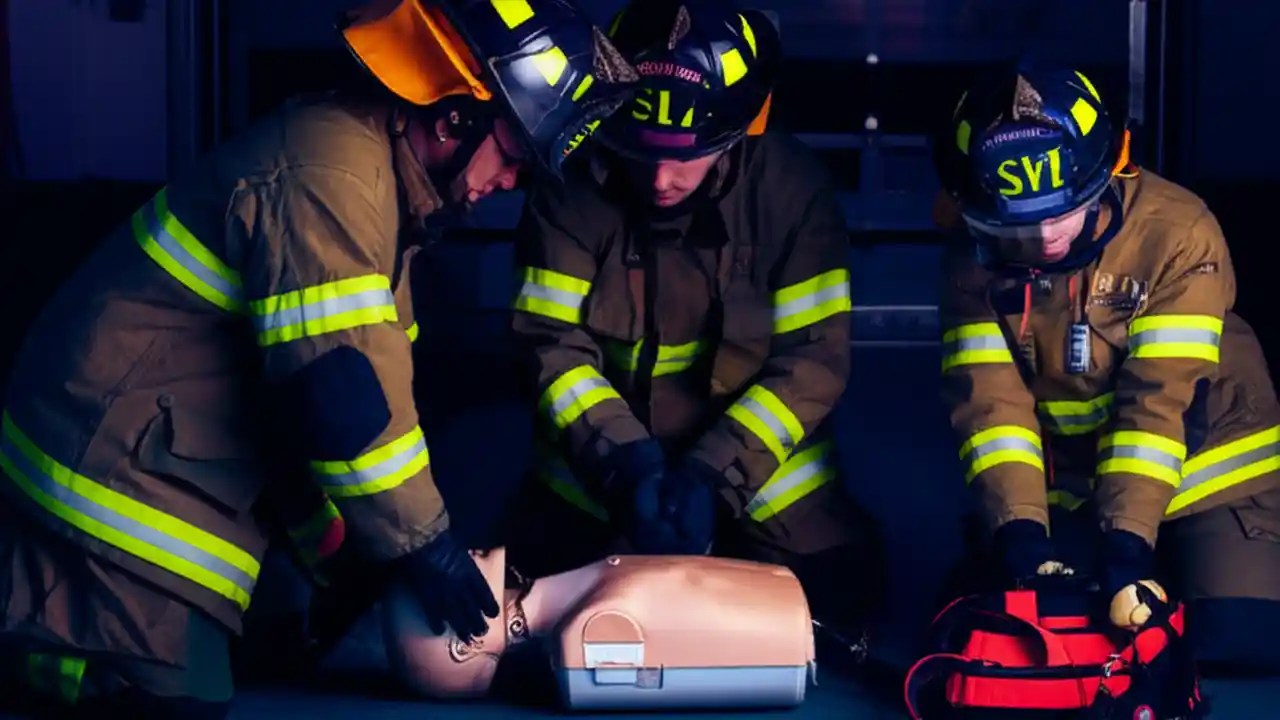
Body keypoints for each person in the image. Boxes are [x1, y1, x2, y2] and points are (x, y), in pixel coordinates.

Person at [0, 0, 636, 715]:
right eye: (516, 154)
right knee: (174, 702)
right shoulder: (332, 179)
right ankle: (33, 654)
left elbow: (315, 407)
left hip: (174, 461)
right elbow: (343, 397)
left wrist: (340, 553)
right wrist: (425, 547)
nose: (512, 184)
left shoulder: (382, 192)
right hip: (112, 476)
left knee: (268, 649)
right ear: (454, 117)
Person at [507, 0, 885, 653]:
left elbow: (814, 363)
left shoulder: (794, 195)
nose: (660, 179)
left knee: (842, 605)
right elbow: (550, 345)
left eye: (688, 156)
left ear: (738, 131)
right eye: (641, 151)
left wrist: (715, 474)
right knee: (524, 613)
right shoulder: (568, 186)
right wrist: (625, 465)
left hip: (762, 481)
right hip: (599, 475)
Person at [934, 62, 1280, 676]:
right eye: (1015, 223)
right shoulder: (970, 249)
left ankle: (1170, 552)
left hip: (1211, 472)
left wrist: (1126, 543)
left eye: (1062, 212)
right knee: (1015, 627)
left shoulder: (1180, 234)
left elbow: (1159, 403)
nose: (1042, 239)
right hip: (1074, 486)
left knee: (1237, 640)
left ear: (1112, 171)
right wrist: (1020, 533)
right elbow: (992, 410)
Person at [381, 546, 815, 709]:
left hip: (781, 597)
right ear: (465, 644)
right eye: (443, 598)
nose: (469, 554)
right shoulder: (590, 629)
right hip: (784, 614)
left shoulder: (581, 597)